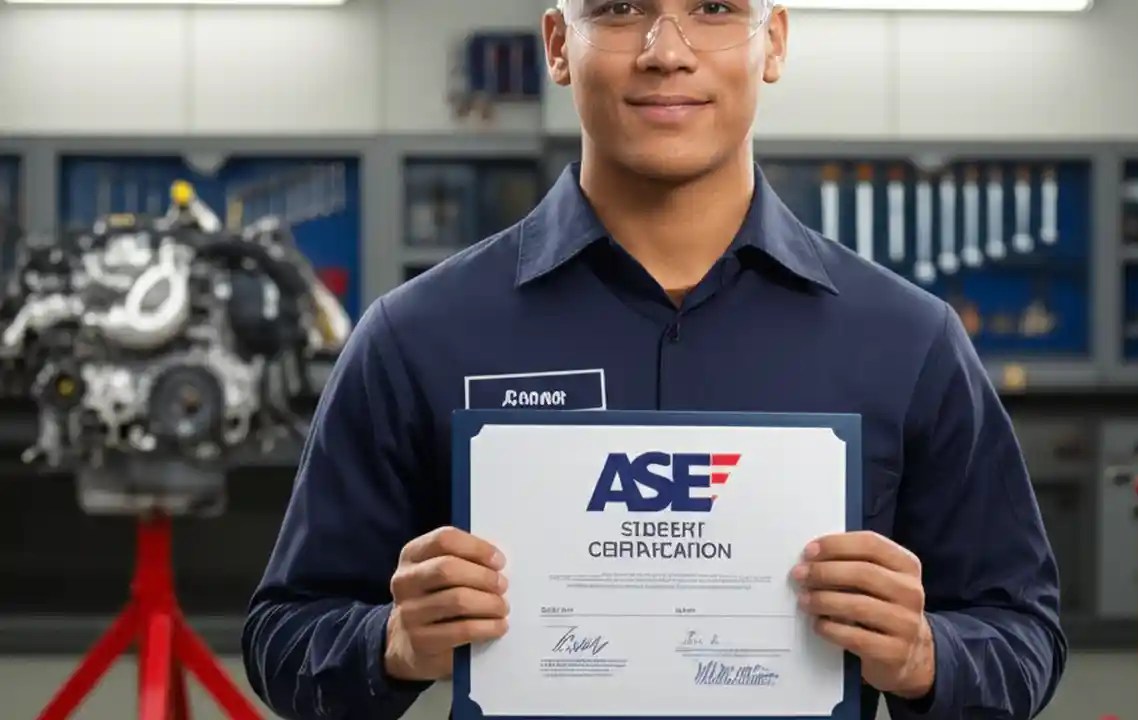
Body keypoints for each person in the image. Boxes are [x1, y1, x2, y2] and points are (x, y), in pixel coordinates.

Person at [241, 0, 1068, 718]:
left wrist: (925, 658)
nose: (665, 49)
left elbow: (1021, 634)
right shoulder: (415, 337)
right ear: (559, 45)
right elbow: (286, 636)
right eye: (618, 7)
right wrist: (391, 643)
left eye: (713, 8)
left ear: (773, 42)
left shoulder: (909, 341)